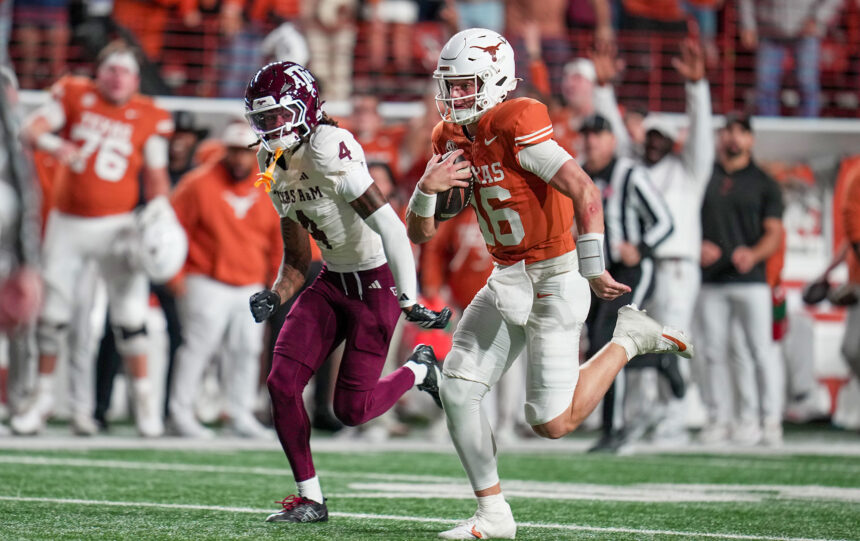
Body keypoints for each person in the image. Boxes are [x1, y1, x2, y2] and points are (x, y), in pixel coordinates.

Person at [405, 28, 693, 539]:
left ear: (494, 82)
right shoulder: (450, 138)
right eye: (450, 84)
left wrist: (593, 266)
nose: (455, 96)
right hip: (505, 275)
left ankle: (631, 339)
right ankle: (493, 514)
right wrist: (425, 191)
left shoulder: (518, 121)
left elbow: (584, 189)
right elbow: (421, 231)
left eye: (467, 84)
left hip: (555, 275)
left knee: (552, 423)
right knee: (457, 387)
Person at [242, 61, 451, 523]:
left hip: (377, 283)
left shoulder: (328, 147)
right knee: (281, 383)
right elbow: (298, 258)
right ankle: (310, 498)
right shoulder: (270, 161)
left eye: (278, 116)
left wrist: (409, 298)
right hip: (333, 280)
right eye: (263, 120)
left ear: (304, 108)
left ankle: (419, 369)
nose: (270, 129)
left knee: (351, 411)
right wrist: (276, 295)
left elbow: (393, 228)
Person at [12, 41, 175, 437]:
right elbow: (29, 130)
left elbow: (155, 175)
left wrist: (161, 209)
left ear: (136, 80)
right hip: (68, 224)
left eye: (125, 72)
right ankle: (43, 398)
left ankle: (144, 403)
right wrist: (57, 144)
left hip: (118, 226)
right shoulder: (73, 93)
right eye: (111, 70)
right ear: (98, 73)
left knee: (131, 318)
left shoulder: (150, 115)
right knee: (52, 315)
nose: (117, 78)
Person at [592, 37, 713, 446]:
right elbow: (614, 143)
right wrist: (605, 90)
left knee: (672, 336)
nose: (655, 140)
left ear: (674, 140)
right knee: (635, 341)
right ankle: (646, 414)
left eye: (663, 135)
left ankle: (677, 418)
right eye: (650, 135)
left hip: (676, 264)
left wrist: (697, 88)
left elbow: (701, 137)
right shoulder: (636, 168)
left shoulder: (688, 170)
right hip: (639, 268)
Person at [166, 122, 281, 439]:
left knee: (247, 350)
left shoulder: (268, 184)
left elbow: (277, 239)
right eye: (233, 151)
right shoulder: (197, 184)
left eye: (246, 152)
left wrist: (275, 282)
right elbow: (171, 231)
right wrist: (175, 274)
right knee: (198, 349)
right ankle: (181, 412)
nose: (240, 159)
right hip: (206, 279)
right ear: (223, 150)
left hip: (251, 282)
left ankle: (240, 412)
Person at [578, 113, 673, 452]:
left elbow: (664, 221)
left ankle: (612, 428)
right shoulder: (576, 172)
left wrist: (641, 247)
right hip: (592, 272)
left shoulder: (629, 173)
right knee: (596, 344)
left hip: (630, 271)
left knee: (607, 340)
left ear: (612, 140)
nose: (592, 141)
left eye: (599, 135)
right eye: (587, 134)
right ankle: (658, 358)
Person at [698, 112, 785, 446]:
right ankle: (720, 419)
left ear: (751, 139)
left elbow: (774, 233)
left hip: (752, 280)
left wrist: (754, 254)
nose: (733, 138)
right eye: (728, 131)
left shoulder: (765, 181)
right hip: (712, 280)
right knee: (714, 352)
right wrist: (697, 245)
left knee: (760, 352)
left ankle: (768, 419)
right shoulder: (706, 175)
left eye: (740, 132)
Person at [739, 0, 842, 117]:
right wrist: (748, 25)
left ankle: (808, 128)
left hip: (807, 32)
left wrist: (818, 18)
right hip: (769, 30)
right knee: (765, 84)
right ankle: (769, 127)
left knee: (807, 83)